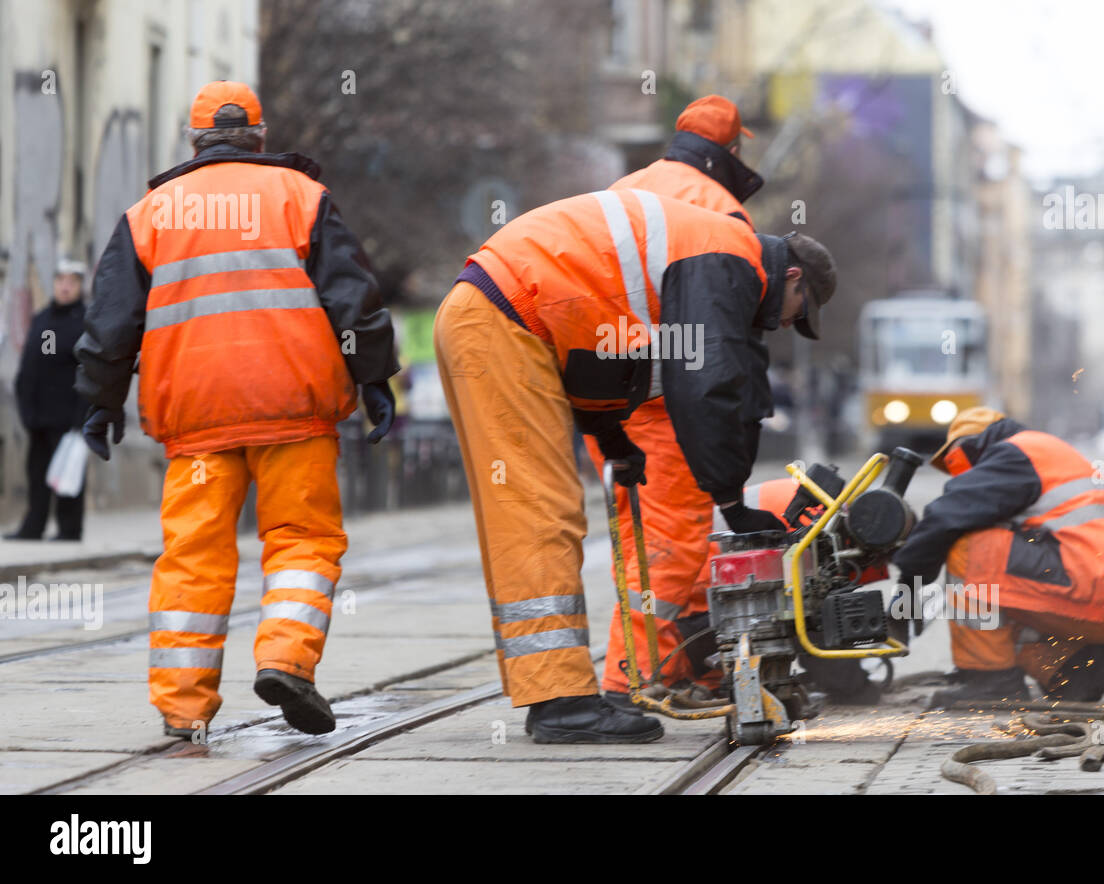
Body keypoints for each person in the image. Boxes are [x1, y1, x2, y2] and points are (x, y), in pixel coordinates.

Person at [434, 186, 835, 743]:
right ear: (793, 279)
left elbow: (605, 352)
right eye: (801, 313)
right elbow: (705, 386)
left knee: (536, 510)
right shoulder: (730, 259)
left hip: (507, 319)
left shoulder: (716, 252)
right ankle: (561, 707)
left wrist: (611, 435)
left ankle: (553, 694)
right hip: (506, 320)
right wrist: (729, 501)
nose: (791, 325)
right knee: (539, 513)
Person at [74, 81, 398, 739]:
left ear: (194, 141)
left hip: (195, 423)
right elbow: (353, 302)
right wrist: (375, 382)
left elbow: (111, 324)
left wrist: (100, 403)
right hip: (295, 411)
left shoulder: (151, 214)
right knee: (302, 540)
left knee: (194, 555)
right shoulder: (303, 199)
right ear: (260, 136)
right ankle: (285, 659)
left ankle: (182, 709)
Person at [587, 95, 772, 707]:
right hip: (665, 399)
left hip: (605, 389)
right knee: (668, 544)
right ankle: (630, 682)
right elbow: (720, 331)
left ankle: (693, 669)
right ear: (733, 150)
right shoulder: (720, 210)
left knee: (646, 536)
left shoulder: (627, 185)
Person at [890, 407, 1104, 706]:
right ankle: (1066, 670)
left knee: (971, 548)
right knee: (999, 612)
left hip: (1090, 585)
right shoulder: (1048, 454)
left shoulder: (1017, 453)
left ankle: (990, 680)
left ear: (974, 445)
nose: (964, 477)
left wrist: (907, 594)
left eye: (957, 464)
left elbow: (946, 517)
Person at [6, 258, 90, 541]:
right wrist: (25, 404)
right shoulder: (43, 319)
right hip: (37, 416)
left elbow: (89, 370)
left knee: (68, 473)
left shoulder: (86, 321)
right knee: (38, 473)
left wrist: (82, 416)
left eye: (72, 282)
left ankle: (69, 529)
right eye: (61, 281)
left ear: (80, 287)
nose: (65, 287)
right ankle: (34, 526)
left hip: (68, 417)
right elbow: (38, 361)